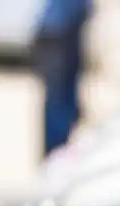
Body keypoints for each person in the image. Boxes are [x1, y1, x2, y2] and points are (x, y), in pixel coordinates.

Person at [34, 0, 92, 158]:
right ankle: (54, 155)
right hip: (59, 34)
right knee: (59, 103)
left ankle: (55, 155)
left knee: (62, 101)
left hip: (60, 32)